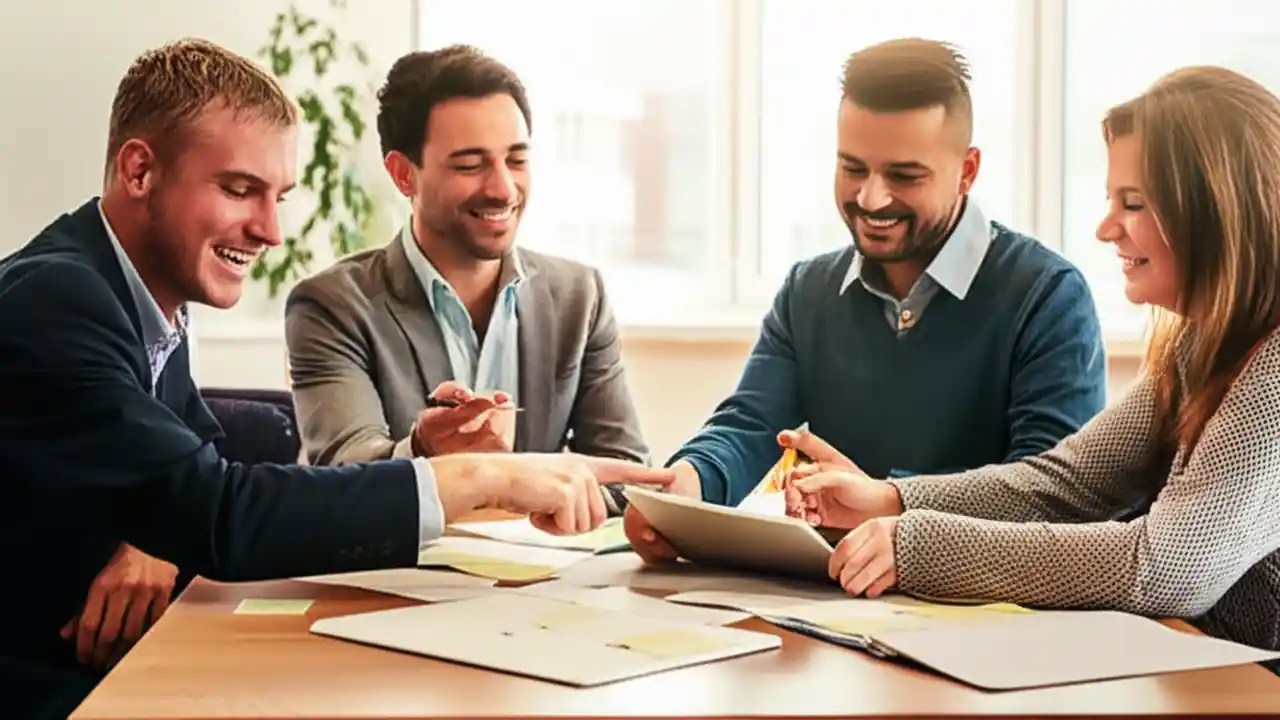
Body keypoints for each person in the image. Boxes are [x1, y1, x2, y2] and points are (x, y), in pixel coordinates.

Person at [0, 38, 672, 718]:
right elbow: (218, 509)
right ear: (140, 171)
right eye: (239, 189)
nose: (270, 231)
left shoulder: (142, 298)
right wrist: (481, 475)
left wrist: (155, 527)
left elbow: (190, 473)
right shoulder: (59, 299)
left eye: (278, 196)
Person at [785, 65, 1280, 663]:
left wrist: (918, 546)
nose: (1105, 228)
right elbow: (1071, 483)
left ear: (1213, 210)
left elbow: (1166, 569)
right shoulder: (1203, 344)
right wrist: (891, 501)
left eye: (1133, 203)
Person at [626, 38, 1106, 562]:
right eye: (853, 168)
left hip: (981, 609)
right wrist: (682, 489)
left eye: (904, 176)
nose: (871, 199)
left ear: (967, 171)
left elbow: (1050, 495)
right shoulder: (807, 291)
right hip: (844, 598)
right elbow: (750, 427)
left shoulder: (1048, 296)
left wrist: (888, 501)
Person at [285, 45, 648, 515]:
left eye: (516, 160)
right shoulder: (332, 305)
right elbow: (343, 478)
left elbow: (628, 472)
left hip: (542, 576)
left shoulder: (579, 297)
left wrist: (550, 503)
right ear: (402, 174)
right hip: (395, 580)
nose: (502, 188)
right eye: (470, 165)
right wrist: (420, 451)